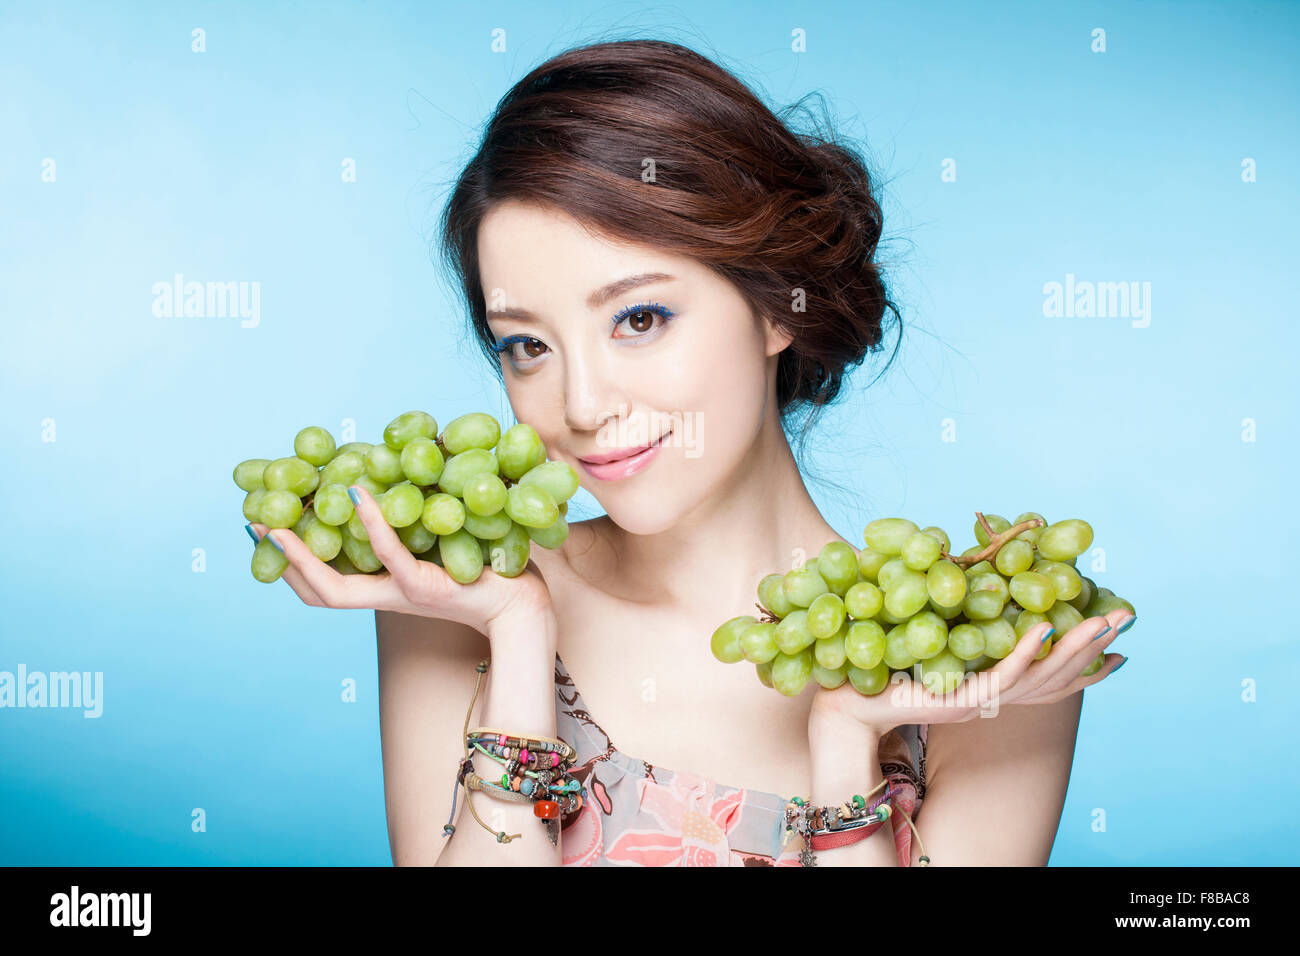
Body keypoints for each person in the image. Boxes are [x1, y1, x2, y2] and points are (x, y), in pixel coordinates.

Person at [250, 38, 1133, 866]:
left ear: (775, 306)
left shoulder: (989, 666)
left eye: (640, 318)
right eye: (527, 345)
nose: (583, 407)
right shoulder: (457, 601)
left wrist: (844, 744)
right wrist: (519, 637)